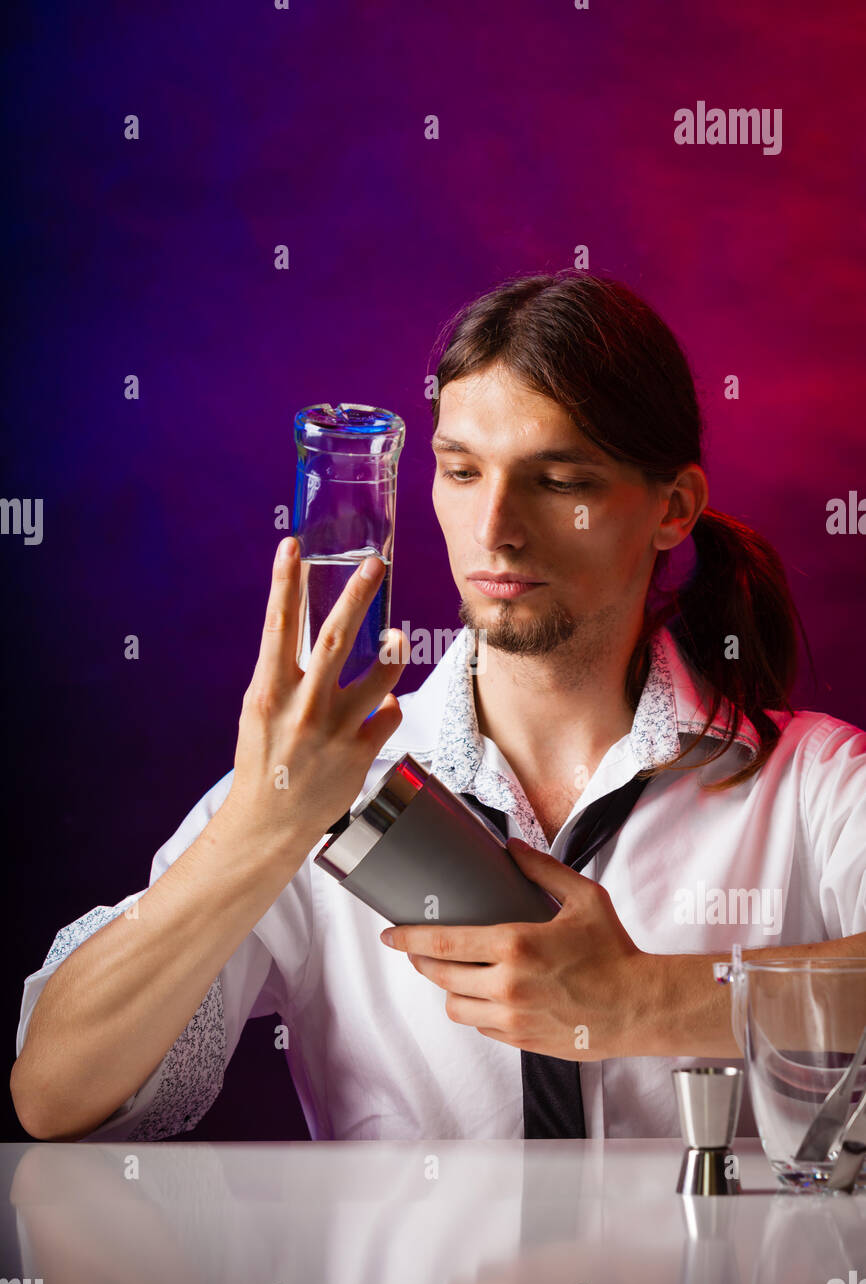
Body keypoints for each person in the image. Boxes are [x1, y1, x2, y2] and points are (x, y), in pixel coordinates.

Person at [11, 271, 866, 1144]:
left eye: (560, 479)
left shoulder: (814, 783)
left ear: (673, 509)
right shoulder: (323, 785)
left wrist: (646, 999)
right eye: (460, 470)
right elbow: (55, 1097)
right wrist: (257, 829)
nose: (494, 526)